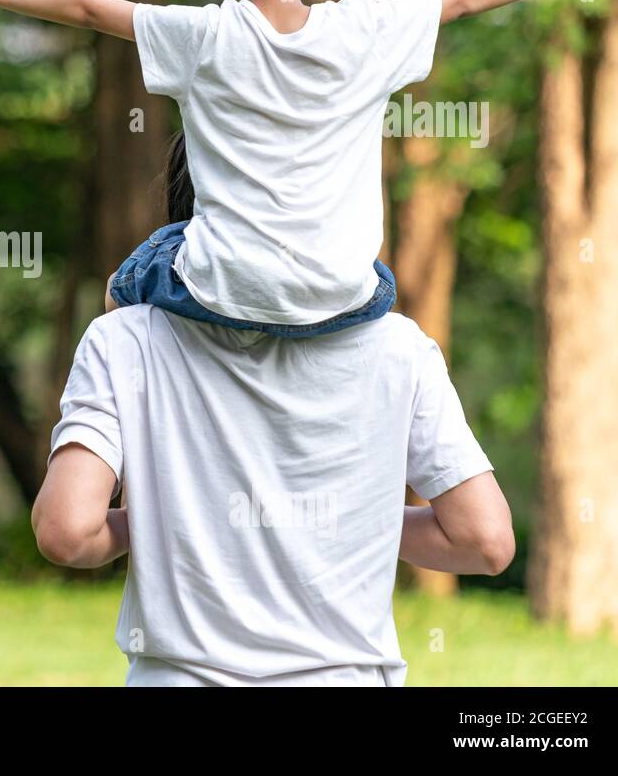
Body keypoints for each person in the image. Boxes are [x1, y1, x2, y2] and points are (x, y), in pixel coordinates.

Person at [0, 0, 603, 336]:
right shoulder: (367, 31)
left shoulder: (200, 39)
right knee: (376, 280)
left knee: (131, 282)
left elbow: (86, 7)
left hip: (224, 290)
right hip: (344, 295)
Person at [30, 132, 515, 686]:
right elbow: (485, 540)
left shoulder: (124, 339)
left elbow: (66, 531)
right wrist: (343, 521)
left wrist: (181, 519)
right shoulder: (400, 350)